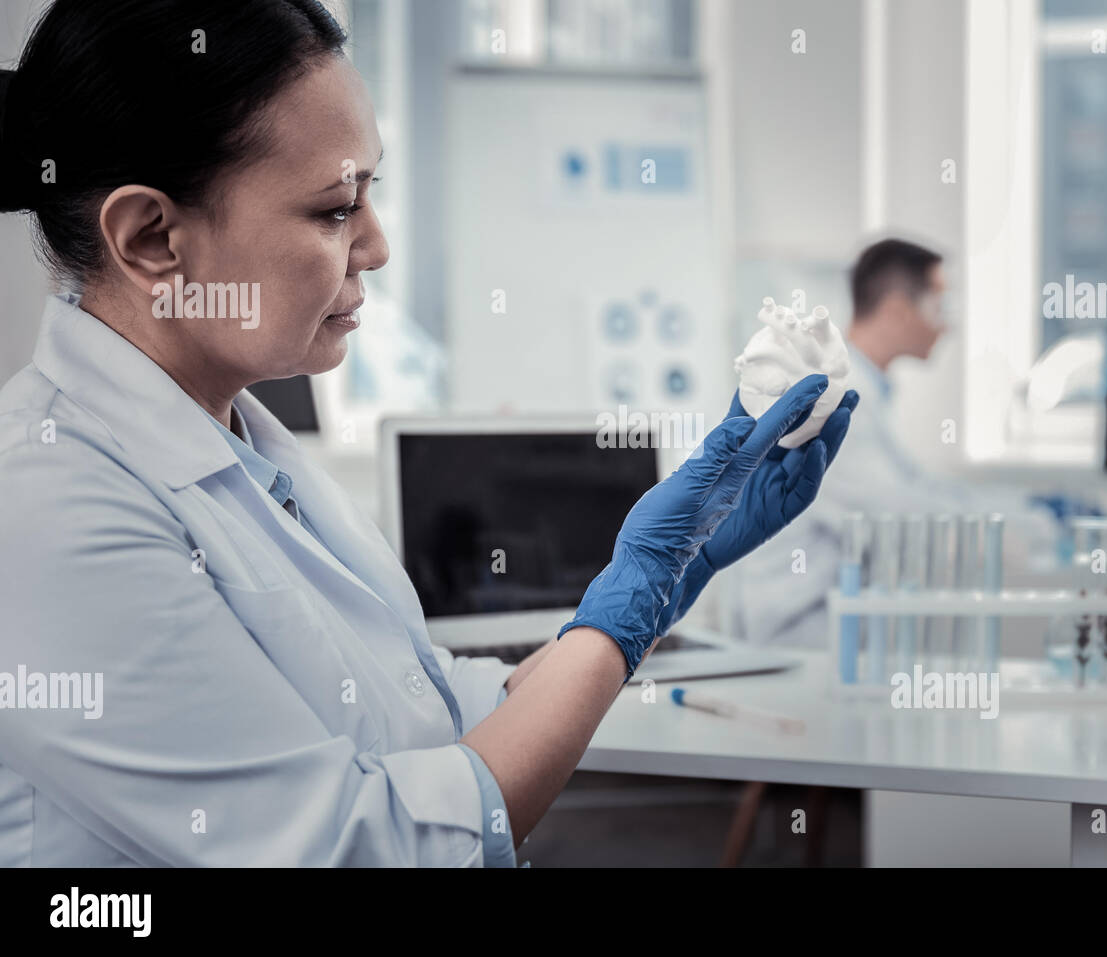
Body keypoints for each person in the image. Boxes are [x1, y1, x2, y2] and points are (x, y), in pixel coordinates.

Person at [0, 0, 858, 866]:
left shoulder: (245, 450)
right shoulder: (46, 508)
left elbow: (437, 713)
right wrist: (626, 604)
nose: (374, 244)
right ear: (151, 237)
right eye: (335, 208)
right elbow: (360, 847)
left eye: (370, 192)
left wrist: (674, 570)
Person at [731, 238, 1050, 648]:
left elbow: (923, 488)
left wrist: (1027, 507)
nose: (947, 326)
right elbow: (905, 513)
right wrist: (1035, 523)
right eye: (940, 308)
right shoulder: (828, 400)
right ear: (898, 310)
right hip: (800, 629)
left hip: (834, 615)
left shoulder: (860, 391)